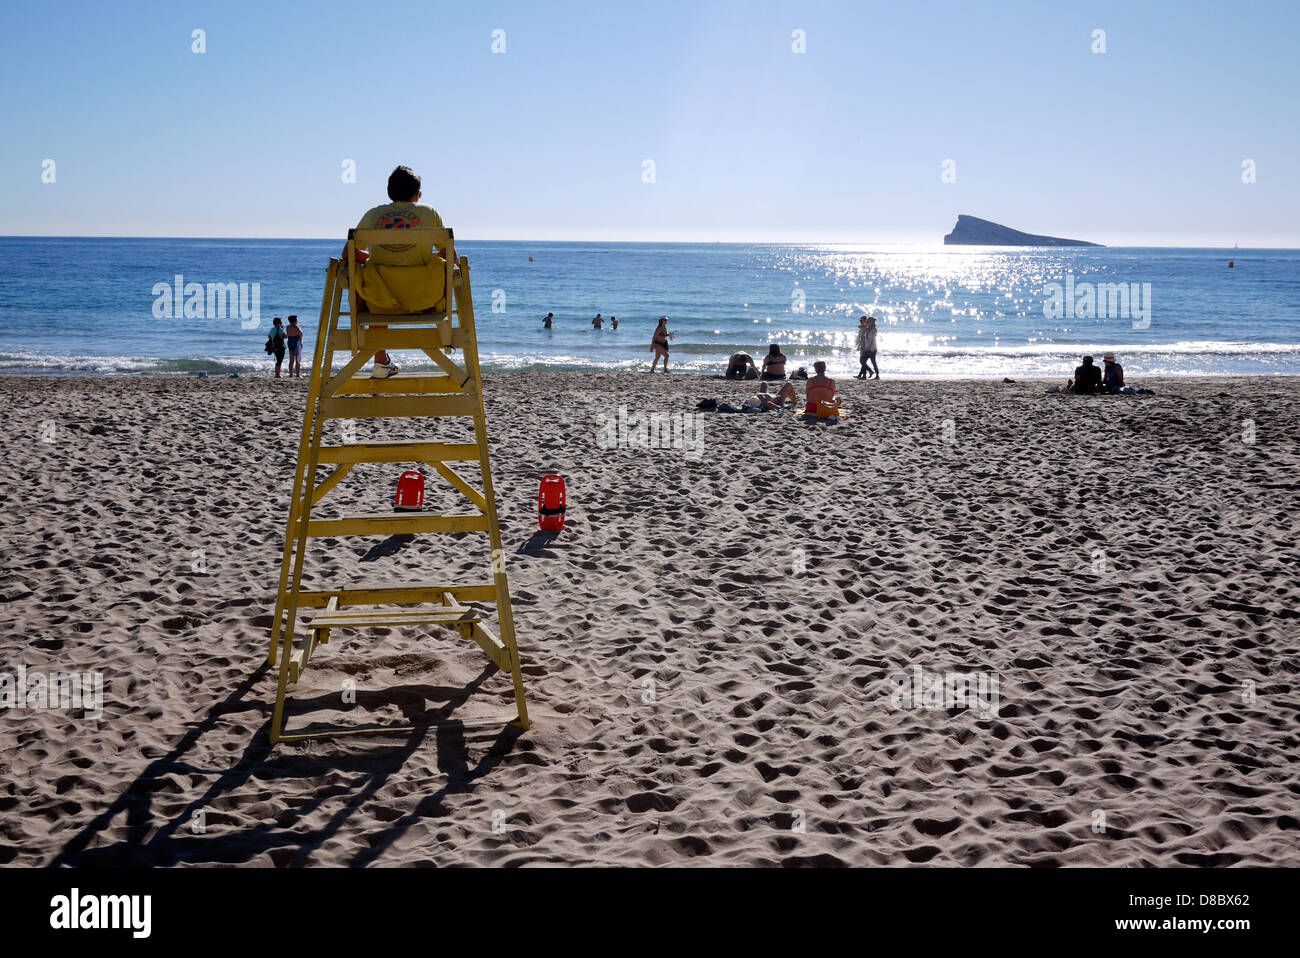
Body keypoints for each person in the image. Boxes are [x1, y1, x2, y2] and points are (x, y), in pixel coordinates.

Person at [343, 165, 447, 379]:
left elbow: (348, 254)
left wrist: (376, 260)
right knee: (437, 267)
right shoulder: (429, 212)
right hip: (423, 299)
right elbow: (449, 255)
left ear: (389, 193)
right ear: (417, 195)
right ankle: (442, 340)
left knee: (373, 275)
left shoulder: (373, 215)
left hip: (380, 301)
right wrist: (427, 258)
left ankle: (380, 359)